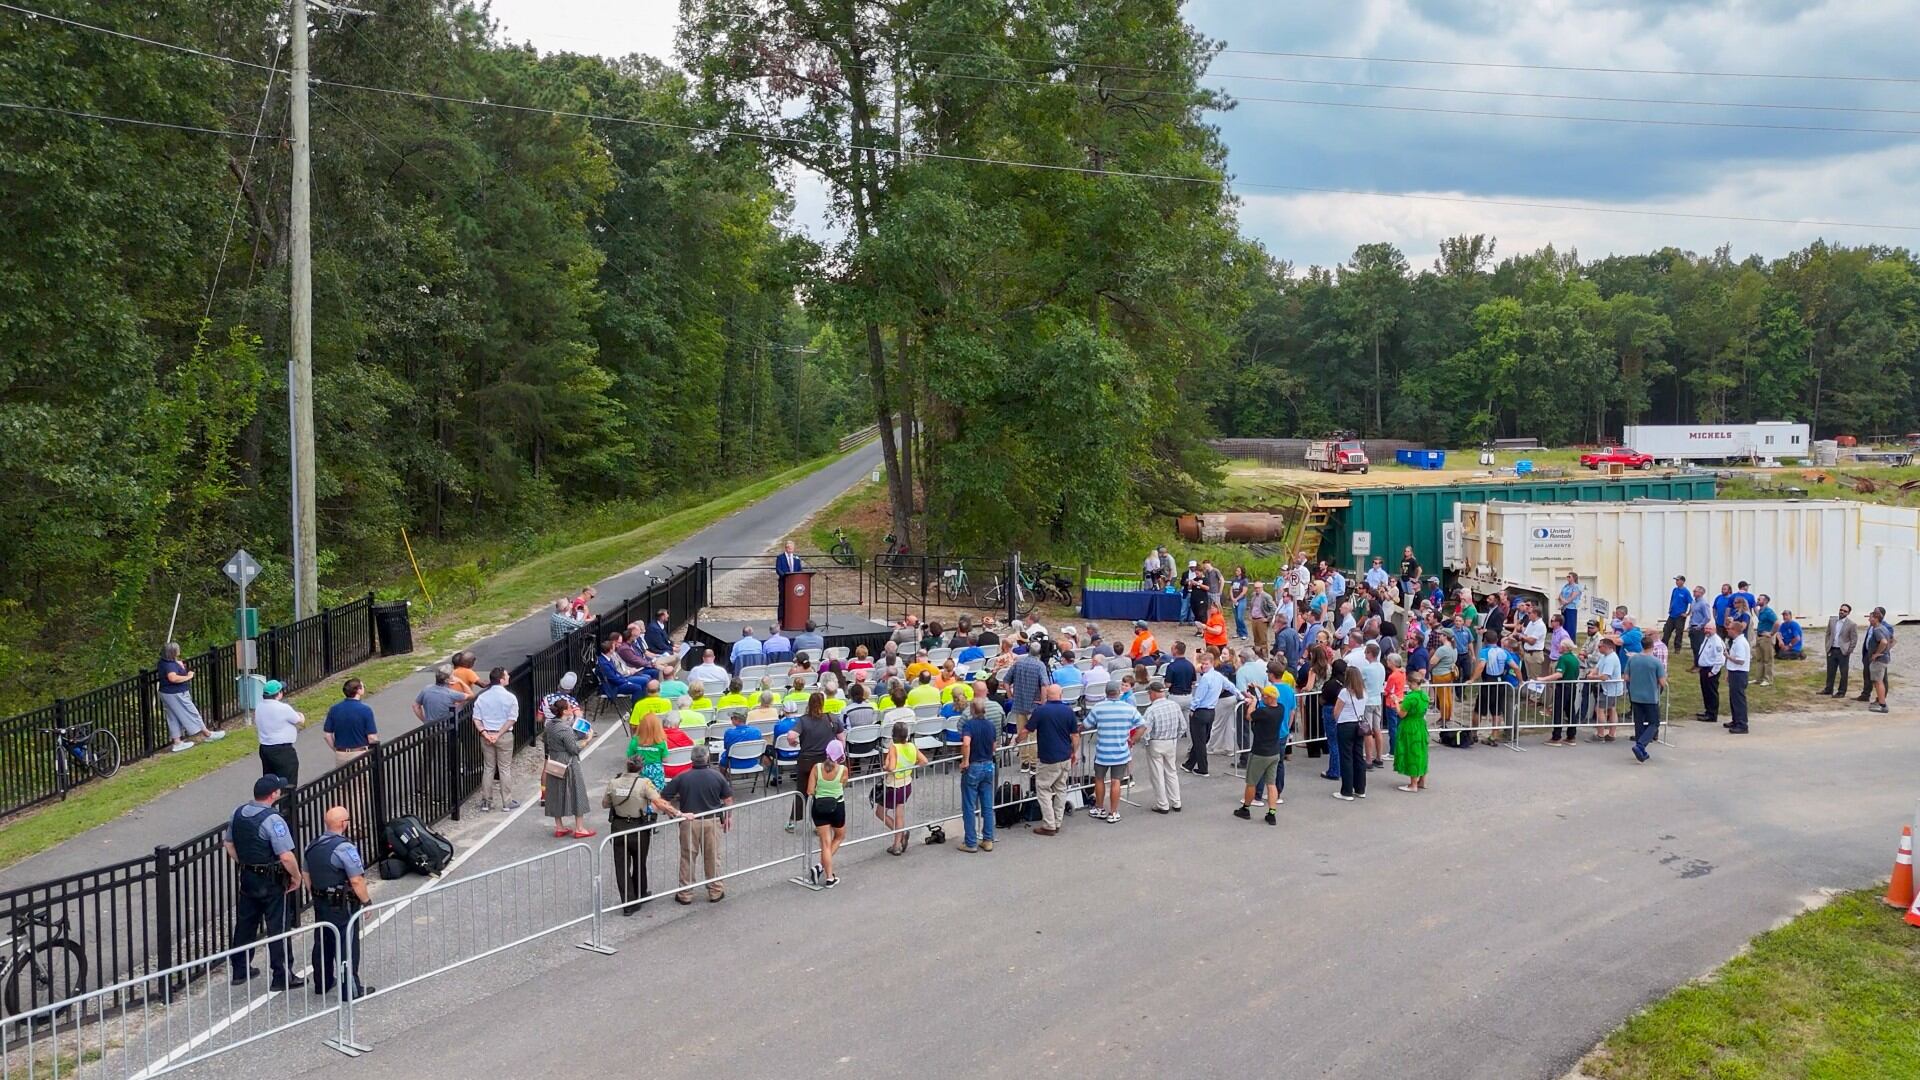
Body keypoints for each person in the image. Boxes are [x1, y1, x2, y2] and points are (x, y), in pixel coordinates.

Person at [224, 775, 302, 990]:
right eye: (279, 790)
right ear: (273, 794)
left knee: (246, 922)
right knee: (278, 926)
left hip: (248, 877)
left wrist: (246, 863)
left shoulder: (238, 813)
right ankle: (282, 975)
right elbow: (286, 855)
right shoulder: (273, 820)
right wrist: (296, 876)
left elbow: (229, 844)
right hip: (271, 880)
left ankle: (240, 969)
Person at [305, 805, 375, 999]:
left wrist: (315, 893)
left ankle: (322, 982)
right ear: (343, 824)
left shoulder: (312, 845)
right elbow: (356, 879)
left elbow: (306, 873)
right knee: (346, 945)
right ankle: (350, 989)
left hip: (321, 902)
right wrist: (366, 902)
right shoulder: (344, 848)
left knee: (323, 941)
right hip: (342, 905)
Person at [660, 746, 732, 904]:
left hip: (689, 822)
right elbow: (727, 799)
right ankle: (715, 890)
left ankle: (685, 894)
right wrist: (728, 817)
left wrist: (674, 813)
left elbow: (664, 797)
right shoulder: (717, 776)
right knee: (713, 856)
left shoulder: (682, 777)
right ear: (707, 758)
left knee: (687, 858)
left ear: (691, 759)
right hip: (712, 821)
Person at [603, 757, 672, 914]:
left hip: (618, 827)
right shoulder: (644, 783)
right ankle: (640, 892)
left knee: (621, 866)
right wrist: (675, 812)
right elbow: (658, 801)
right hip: (638, 826)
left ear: (627, 767)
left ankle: (628, 904)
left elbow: (605, 804)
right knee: (640, 861)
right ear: (641, 769)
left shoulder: (614, 782)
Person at [1085, 681, 1142, 824]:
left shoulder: (1099, 707)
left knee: (1099, 779)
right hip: (1121, 751)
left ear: (1106, 692)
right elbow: (1142, 725)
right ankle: (1114, 812)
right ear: (1119, 692)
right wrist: (1132, 739)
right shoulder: (1128, 708)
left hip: (1103, 751)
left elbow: (1086, 725)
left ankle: (1099, 808)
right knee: (1116, 781)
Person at [1025, 686, 1080, 833]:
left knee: (1043, 789)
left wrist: (1018, 739)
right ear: (1061, 695)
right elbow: (1075, 735)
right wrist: (1074, 752)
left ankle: (1049, 824)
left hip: (1048, 757)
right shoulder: (1068, 711)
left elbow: (1027, 729)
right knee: (1061, 789)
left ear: (1047, 695)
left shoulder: (1041, 711)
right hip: (1065, 756)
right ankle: (1057, 821)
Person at [157, 643, 228, 753]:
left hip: (167, 693)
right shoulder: (169, 665)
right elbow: (172, 678)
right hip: (176, 693)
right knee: (192, 712)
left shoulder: (164, 662)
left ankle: (177, 743)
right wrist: (188, 676)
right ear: (172, 652)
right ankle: (207, 734)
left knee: (173, 717)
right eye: (177, 650)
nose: (179, 651)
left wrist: (178, 664)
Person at [543, 694, 595, 839]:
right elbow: (574, 749)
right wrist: (588, 739)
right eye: (570, 707)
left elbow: (546, 739)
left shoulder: (550, 725)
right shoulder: (565, 729)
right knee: (576, 791)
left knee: (555, 792)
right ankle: (579, 827)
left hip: (554, 760)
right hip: (568, 762)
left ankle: (559, 826)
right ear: (564, 711)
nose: (572, 709)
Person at [468, 667, 519, 811]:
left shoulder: (482, 697)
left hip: (486, 735)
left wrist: (485, 733)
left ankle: (486, 801)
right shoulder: (510, 697)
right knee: (504, 768)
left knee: (488, 768)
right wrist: (498, 734)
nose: (508, 677)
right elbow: (512, 719)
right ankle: (507, 802)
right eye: (506, 676)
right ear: (502, 680)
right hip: (504, 735)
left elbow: (476, 719)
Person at [1237, 683, 1289, 824]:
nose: (1263, 698)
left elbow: (1249, 716)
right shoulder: (1280, 709)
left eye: (1265, 697)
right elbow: (1268, 696)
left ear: (1270, 698)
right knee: (1271, 784)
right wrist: (1261, 690)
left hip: (1260, 752)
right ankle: (1272, 813)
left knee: (1251, 782)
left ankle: (1246, 808)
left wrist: (1253, 702)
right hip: (1274, 751)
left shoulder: (1263, 712)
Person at [954, 695, 999, 854]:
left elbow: (966, 743)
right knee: (987, 804)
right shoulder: (990, 725)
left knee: (969, 805)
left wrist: (965, 760)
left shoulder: (969, 725)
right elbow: (994, 746)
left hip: (973, 766)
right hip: (988, 765)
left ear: (972, 710)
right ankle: (988, 839)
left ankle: (971, 841)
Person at [805, 741, 850, 885]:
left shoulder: (816, 768)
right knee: (839, 836)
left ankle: (825, 872)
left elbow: (810, 790)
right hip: (837, 806)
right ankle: (825, 873)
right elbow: (843, 784)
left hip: (819, 807)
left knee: (825, 842)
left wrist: (821, 791)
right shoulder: (843, 770)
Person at [1136, 680, 1184, 815]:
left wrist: (1146, 742)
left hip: (1156, 742)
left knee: (1157, 774)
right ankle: (1176, 801)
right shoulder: (1174, 705)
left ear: (1153, 693)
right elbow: (1183, 726)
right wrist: (1175, 737)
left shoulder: (1151, 710)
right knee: (1171, 772)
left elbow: (1146, 730)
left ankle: (1163, 804)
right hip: (1171, 741)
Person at [878, 721, 920, 855]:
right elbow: (924, 760)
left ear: (893, 735)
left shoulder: (894, 747)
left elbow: (891, 767)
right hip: (906, 783)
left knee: (880, 812)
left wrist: (885, 768)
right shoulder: (912, 746)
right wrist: (911, 766)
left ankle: (900, 835)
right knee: (899, 814)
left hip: (893, 785)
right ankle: (897, 844)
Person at [1183, 655, 1230, 776]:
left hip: (1201, 711)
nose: (1203, 666)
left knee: (1199, 741)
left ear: (1212, 663)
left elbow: (1199, 696)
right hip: (1210, 711)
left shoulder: (1206, 678)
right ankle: (1189, 764)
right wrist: (1240, 696)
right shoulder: (1218, 676)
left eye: (1206, 664)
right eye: (1202, 664)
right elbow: (1230, 686)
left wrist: (1193, 708)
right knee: (1202, 739)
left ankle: (1203, 768)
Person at [253, 680, 302, 787]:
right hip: (282, 750)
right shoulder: (283, 708)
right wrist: (301, 715)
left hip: (265, 748)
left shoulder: (259, 707)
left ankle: (271, 803)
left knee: (271, 782)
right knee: (288, 782)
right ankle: (288, 803)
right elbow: (298, 720)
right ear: (278, 694)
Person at [1006, 647, 1047, 773]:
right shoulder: (1040, 665)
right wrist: (1043, 701)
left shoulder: (1018, 663)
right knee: (1034, 736)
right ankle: (1034, 763)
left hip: (1019, 704)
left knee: (1021, 734)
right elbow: (1045, 684)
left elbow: (1006, 680)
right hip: (1034, 706)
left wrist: (1010, 696)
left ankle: (1024, 762)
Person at [322, 678, 378, 765]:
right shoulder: (365, 710)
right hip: (360, 753)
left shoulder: (334, 709)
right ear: (358, 690)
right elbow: (372, 737)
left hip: (341, 754)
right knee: (361, 778)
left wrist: (336, 749)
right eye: (363, 686)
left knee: (344, 778)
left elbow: (327, 735)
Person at [1331, 666, 1367, 801]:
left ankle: (1347, 790)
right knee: (1358, 756)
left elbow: (1336, 711)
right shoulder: (1363, 691)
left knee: (1346, 757)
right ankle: (1360, 788)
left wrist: (1336, 720)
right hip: (1359, 724)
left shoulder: (1344, 693)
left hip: (1345, 724)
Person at [1627, 647, 1668, 762]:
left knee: (1638, 722)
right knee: (1654, 722)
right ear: (1652, 647)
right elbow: (1662, 682)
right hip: (1650, 698)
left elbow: (1626, 677)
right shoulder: (1656, 662)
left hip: (1635, 695)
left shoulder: (1632, 659)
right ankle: (1640, 745)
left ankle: (1641, 750)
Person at [1392, 669, 1431, 790]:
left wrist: (1396, 703)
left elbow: (1401, 714)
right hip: (1420, 724)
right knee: (1421, 752)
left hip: (1410, 726)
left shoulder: (1410, 698)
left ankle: (1413, 784)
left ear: (1411, 682)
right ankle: (1422, 781)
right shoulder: (1424, 696)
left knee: (1411, 752)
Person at [1590, 637, 1623, 743]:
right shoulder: (1604, 656)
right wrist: (1592, 673)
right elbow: (1597, 667)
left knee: (1599, 709)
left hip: (1610, 690)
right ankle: (1611, 734)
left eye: (1600, 647)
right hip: (1610, 689)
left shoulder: (1610, 659)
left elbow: (1605, 677)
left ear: (1607, 647)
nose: (1598, 648)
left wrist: (1592, 678)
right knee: (1611, 709)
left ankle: (1600, 735)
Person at [1866, 607, 1894, 714]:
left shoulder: (1877, 629)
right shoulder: (1883, 628)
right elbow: (1892, 640)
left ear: (1876, 618)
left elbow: (1884, 642)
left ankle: (1882, 705)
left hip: (1879, 660)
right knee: (1879, 681)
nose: (1869, 620)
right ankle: (1881, 703)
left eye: (1870, 617)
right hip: (1884, 658)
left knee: (1878, 682)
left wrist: (1877, 653)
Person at [1695, 630, 1726, 725]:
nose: (1706, 630)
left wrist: (1713, 671)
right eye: (1705, 628)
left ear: (1714, 629)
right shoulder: (1707, 638)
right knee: (1705, 691)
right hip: (1704, 669)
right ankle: (1707, 711)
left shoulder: (1716, 641)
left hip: (1711, 670)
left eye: (1709, 628)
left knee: (1711, 692)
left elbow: (1720, 659)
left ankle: (1712, 714)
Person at [1751, 596, 1778, 686]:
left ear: (1765, 601)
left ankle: (1768, 679)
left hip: (1766, 638)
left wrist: (1771, 633)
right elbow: (1756, 613)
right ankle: (1758, 678)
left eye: (1760, 599)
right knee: (1759, 659)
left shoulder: (1769, 612)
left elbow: (1777, 622)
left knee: (1768, 659)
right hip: (1759, 637)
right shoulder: (1761, 611)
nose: (1757, 600)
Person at [775, 540, 804, 620]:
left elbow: (799, 569)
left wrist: (798, 577)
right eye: (788, 547)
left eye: (791, 547)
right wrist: (786, 577)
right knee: (782, 601)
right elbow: (778, 569)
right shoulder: (780, 557)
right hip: (784, 583)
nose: (790, 549)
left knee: (794, 601)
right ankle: (781, 619)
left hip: (794, 584)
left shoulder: (796, 558)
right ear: (786, 548)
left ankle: (794, 617)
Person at [1686, 586, 1712, 666]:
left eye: (1695, 591)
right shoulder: (1693, 602)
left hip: (1699, 628)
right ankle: (1696, 664)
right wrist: (1689, 625)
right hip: (1692, 627)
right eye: (1694, 591)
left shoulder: (1704, 603)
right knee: (1694, 647)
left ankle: (1700, 665)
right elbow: (1692, 615)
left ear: (1701, 593)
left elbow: (1707, 617)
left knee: (1699, 647)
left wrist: (1699, 626)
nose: (1693, 592)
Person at [1559, 572, 1587, 639]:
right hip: (1564, 608)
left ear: (1573, 578)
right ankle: (1564, 641)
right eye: (1567, 576)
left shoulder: (1576, 586)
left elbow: (1572, 597)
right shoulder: (1566, 586)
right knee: (1564, 626)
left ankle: (1571, 642)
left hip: (1571, 608)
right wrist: (1562, 600)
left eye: (1569, 577)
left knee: (1570, 627)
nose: (1567, 578)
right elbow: (1560, 594)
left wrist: (1564, 602)